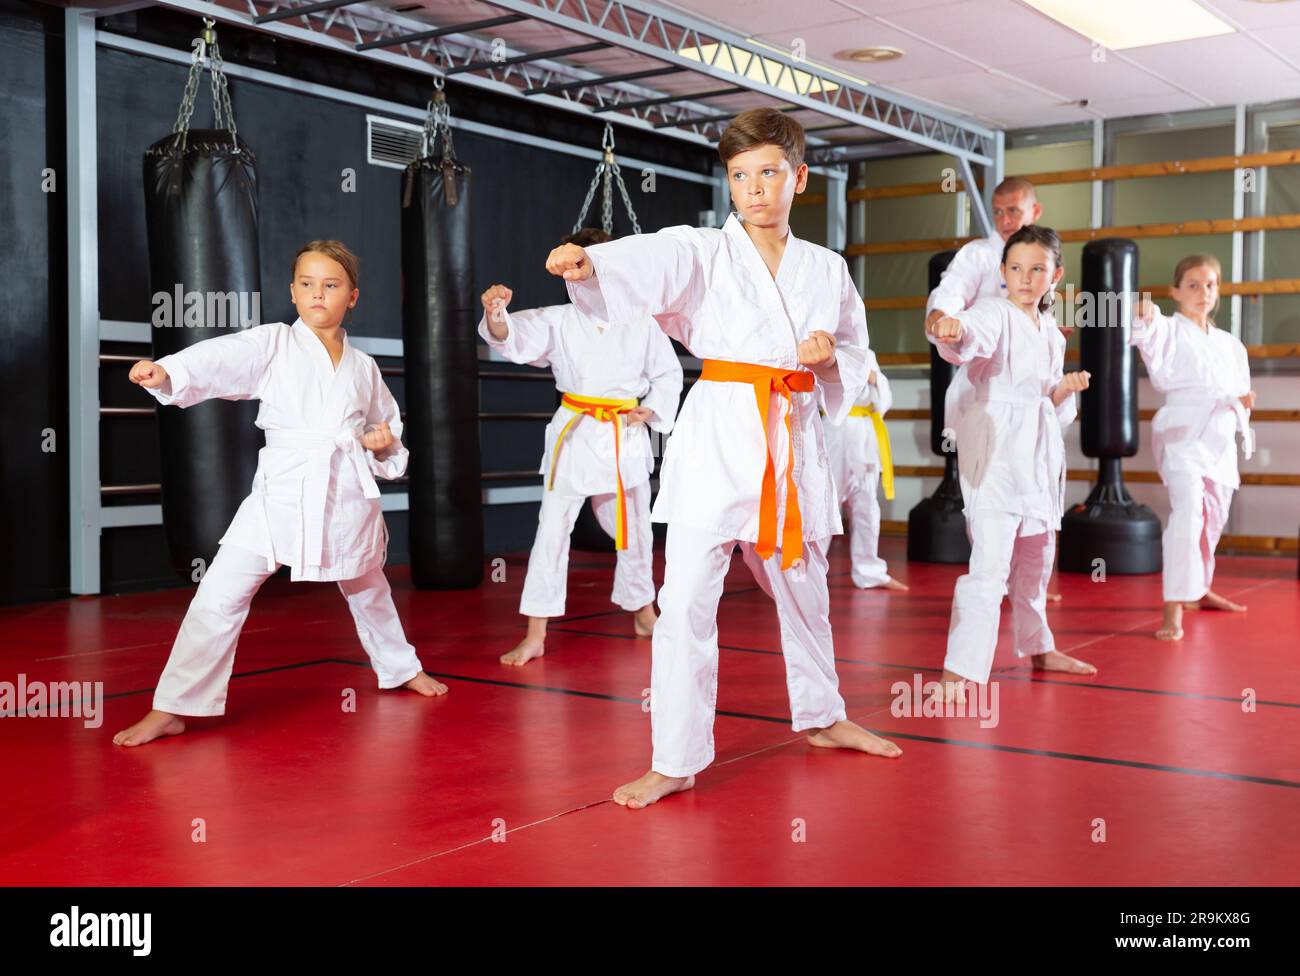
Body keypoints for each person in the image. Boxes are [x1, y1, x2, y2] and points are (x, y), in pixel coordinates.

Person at [546, 108, 902, 810]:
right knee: (683, 601)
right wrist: (593, 266)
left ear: (798, 178)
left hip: (792, 436)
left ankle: (824, 716)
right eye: (740, 176)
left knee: (806, 591)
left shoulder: (826, 269)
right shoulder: (704, 250)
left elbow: (858, 350)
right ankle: (675, 758)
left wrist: (831, 356)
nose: (754, 189)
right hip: (718, 438)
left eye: (769, 172)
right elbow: (652, 260)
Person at [113, 240, 445, 747]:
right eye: (307, 284)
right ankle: (173, 707)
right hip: (279, 494)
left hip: (344, 495)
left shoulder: (364, 368)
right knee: (219, 595)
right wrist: (169, 373)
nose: (318, 294)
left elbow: (387, 430)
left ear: (352, 296)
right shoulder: (273, 343)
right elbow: (222, 358)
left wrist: (382, 444)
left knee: (369, 589)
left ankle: (400, 668)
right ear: (292, 292)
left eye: (331, 285)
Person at [479, 228, 683, 666]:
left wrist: (650, 410)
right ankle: (536, 631)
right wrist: (497, 314)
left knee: (636, 532)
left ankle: (644, 612)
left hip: (623, 435)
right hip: (575, 434)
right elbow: (512, 338)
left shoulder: (641, 322)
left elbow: (667, 374)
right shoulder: (559, 320)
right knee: (552, 531)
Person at [925, 225, 1096, 703]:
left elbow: (1053, 405)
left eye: (1037, 269)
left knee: (1037, 557)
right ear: (1002, 272)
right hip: (996, 447)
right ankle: (958, 674)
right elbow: (969, 335)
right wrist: (954, 328)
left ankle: (1040, 646)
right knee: (991, 563)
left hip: (1038, 455)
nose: (1025, 278)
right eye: (1016, 268)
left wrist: (1065, 389)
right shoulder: (994, 312)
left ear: (1055, 275)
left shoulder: (1051, 333)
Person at [926, 177, 1065, 601]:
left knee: (1036, 507)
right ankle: (992, 576)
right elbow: (948, 302)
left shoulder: (1041, 256)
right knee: (990, 507)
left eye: (1014, 211)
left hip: (1032, 402)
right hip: (985, 388)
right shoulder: (978, 256)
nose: (1005, 220)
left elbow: (1047, 318)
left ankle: (1026, 587)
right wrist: (945, 324)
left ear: (1035, 211)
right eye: (998, 211)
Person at [1130, 255, 1254, 641]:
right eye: (1194, 285)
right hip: (1183, 434)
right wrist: (1143, 313)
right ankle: (1173, 607)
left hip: (1220, 438)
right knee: (1188, 515)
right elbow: (1142, 333)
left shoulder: (1231, 345)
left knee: (1213, 518)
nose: (1204, 292)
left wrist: (1245, 399)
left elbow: (1241, 388)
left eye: (1211, 285)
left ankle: (1198, 589)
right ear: (1175, 292)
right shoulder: (1168, 328)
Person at [823, 349, 907, 590]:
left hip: (866, 432)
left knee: (867, 506)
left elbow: (884, 398)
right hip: (835, 431)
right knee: (825, 506)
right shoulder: (825, 347)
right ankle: (809, 573)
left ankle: (869, 571)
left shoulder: (867, 353)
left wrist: (874, 379)